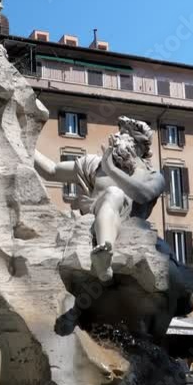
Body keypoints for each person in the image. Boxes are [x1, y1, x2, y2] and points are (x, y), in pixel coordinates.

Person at [31, 116, 165, 282]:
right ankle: (103, 257)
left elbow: (143, 195)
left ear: (138, 149)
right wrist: (22, 142)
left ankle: (103, 257)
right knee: (113, 194)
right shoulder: (94, 164)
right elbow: (51, 171)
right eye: (120, 134)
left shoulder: (153, 176)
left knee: (114, 193)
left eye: (127, 138)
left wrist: (112, 170)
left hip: (127, 222)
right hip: (94, 216)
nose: (118, 139)